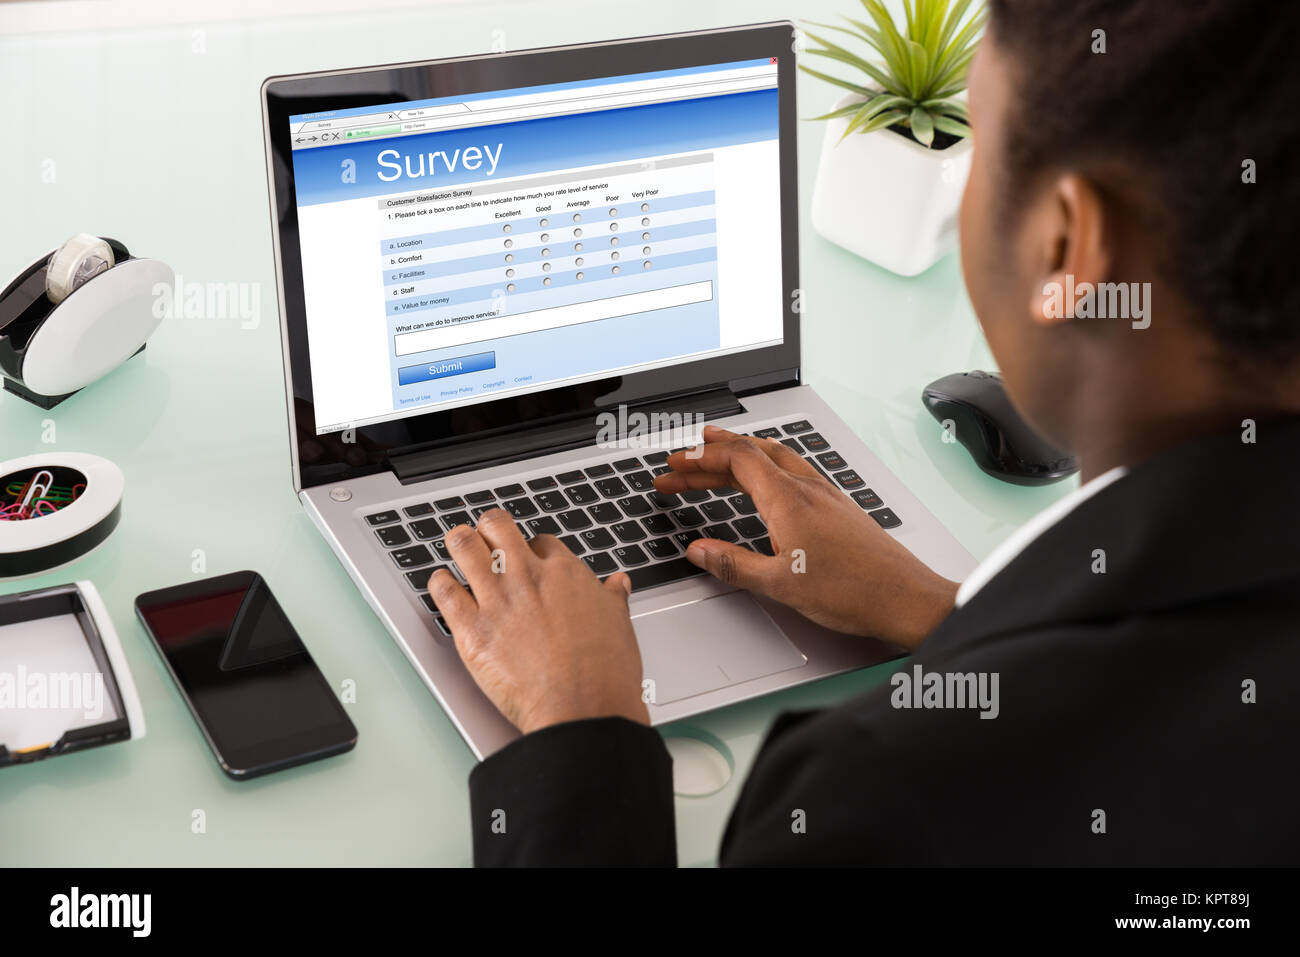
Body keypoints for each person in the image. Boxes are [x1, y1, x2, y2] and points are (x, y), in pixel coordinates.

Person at [427, 0, 1300, 865]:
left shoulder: (880, 800)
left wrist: (582, 722)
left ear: (1067, 246)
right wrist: (939, 609)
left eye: (981, 155)